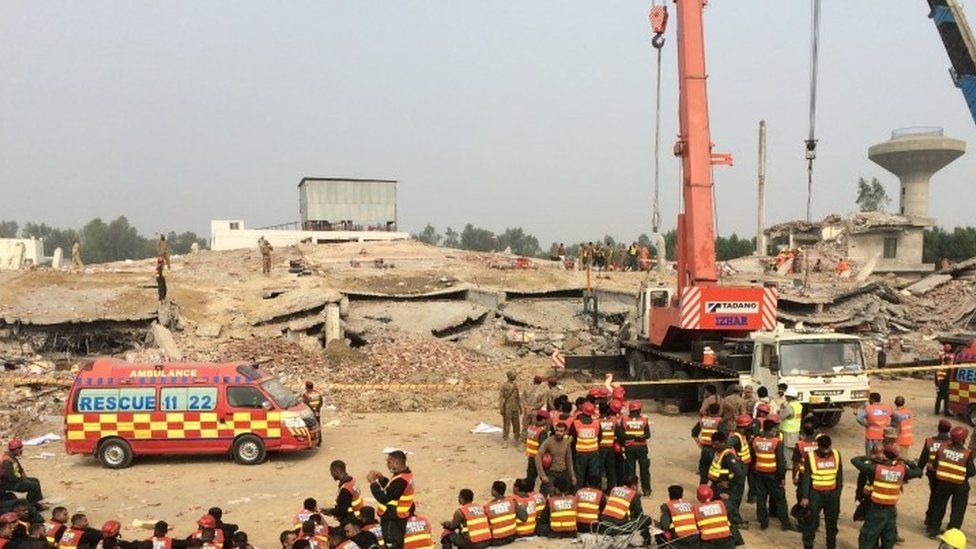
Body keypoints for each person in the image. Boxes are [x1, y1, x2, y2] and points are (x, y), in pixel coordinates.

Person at [851, 445, 922, 549]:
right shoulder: (900, 471)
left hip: (876, 510)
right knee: (888, 540)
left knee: (867, 539)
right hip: (891, 511)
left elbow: (855, 460)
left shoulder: (876, 469)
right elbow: (918, 471)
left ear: (884, 454)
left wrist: (871, 457)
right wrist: (905, 460)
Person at [926, 426, 975, 538]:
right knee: (958, 510)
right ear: (963, 440)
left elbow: (935, 465)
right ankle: (952, 533)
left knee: (939, 506)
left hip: (942, 483)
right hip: (960, 485)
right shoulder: (967, 453)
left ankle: (933, 530)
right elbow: (972, 472)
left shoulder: (942, 449)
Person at [798, 435, 842, 549]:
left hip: (832, 495)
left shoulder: (837, 455)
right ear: (818, 446)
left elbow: (839, 476)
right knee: (810, 522)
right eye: (823, 449)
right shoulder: (811, 457)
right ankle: (808, 545)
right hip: (815, 494)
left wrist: (837, 493)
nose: (826, 451)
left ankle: (831, 546)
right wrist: (805, 497)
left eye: (828, 448)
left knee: (832, 523)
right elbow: (806, 477)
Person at [368, 450, 415, 549]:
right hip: (397, 516)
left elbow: (384, 498)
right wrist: (382, 479)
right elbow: (393, 490)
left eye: (389, 462)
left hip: (394, 519)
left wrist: (373, 483)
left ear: (397, 463)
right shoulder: (403, 476)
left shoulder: (401, 480)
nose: (387, 465)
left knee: (392, 545)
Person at [750, 420, 791, 531]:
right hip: (773, 475)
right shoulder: (776, 442)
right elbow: (780, 462)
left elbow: (753, 458)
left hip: (759, 473)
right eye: (775, 429)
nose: (776, 431)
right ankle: (785, 523)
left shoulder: (756, 440)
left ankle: (763, 522)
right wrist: (782, 477)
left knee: (761, 498)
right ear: (772, 429)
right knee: (780, 499)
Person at [707, 431, 747, 529]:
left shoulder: (728, 456)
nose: (713, 446)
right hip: (716, 483)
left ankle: (738, 522)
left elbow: (739, 473)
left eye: (716, 444)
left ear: (723, 442)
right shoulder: (718, 452)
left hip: (723, 484)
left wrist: (729, 483)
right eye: (712, 443)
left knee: (729, 503)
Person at [921, 419, 955, 527]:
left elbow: (923, 459)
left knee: (933, 495)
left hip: (931, 473)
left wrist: (918, 471)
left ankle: (929, 518)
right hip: (944, 474)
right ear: (949, 430)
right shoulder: (951, 443)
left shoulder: (929, 441)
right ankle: (933, 522)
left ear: (938, 428)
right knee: (940, 499)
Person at [619, 401, 651, 495]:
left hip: (629, 448)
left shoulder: (624, 420)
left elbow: (621, 435)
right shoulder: (644, 420)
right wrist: (638, 437)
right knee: (644, 469)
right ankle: (646, 490)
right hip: (641, 448)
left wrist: (631, 436)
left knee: (630, 470)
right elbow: (648, 435)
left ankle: (631, 490)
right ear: (639, 410)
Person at [535, 423, 574, 496]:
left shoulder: (566, 442)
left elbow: (569, 460)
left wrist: (572, 475)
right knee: (548, 491)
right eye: (557, 430)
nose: (558, 433)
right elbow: (538, 456)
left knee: (567, 493)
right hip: (551, 473)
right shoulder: (548, 441)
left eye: (561, 431)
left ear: (565, 432)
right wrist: (542, 475)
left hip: (563, 472)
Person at [1, 440, 44, 506]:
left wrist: (25, 478)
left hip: (14, 480)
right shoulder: (7, 461)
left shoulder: (12, 458)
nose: (21, 450)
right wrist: (22, 480)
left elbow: (20, 470)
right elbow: (11, 478)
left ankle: (35, 502)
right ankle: (30, 505)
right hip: (7, 483)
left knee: (35, 480)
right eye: (19, 448)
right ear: (14, 450)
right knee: (32, 485)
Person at [483, 480, 525, 545]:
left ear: (494, 491)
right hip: (512, 537)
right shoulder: (512, 502)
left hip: (497, 540)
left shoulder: (487, 507)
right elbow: (524, 517)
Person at [693, 403, 726, 485]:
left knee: (704, 471)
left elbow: (694, 433)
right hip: (715, 449)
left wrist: (699, 444)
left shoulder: (703, 420)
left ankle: (702, 490)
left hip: (704, 449)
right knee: (715, 471)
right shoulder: (719, 421)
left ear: (709, 411)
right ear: (718, 411)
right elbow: (723, 436)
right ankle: (714, 490)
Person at [570, 402, 601, 488]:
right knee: (593, 474)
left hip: (580, 452)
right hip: (593, 452)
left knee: (579, 474)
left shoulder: (576, 423)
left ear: (582, 412)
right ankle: (594, 492)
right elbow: (600, 437)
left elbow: (572, 439)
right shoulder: (596, 423)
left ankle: (578, 492)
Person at [727, 414, 754, 507]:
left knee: (739, 489)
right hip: (740, 465)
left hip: (744, 465)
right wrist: (734, 457)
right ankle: (734, 514)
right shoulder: (736, 437)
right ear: (745, 427)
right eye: (749, 426)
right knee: (737, 490)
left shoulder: (743, 435)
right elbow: (726, 446)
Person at [597, 402, 620, 489]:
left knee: (600, 469)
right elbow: (617, 433)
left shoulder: (597, 421)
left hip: (601, 447)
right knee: (611, 469)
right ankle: (612, 488)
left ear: (599, 410)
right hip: (611, 447)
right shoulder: (613, 420)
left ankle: (600, 488)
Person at [522, 411, 548, 489]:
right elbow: (542, 446)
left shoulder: (531, 428)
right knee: (542, 476)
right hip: (537, 457)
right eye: (546, 419)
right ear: (543, 420)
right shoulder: (542, 431)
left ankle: (528, 490)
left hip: (530, 455)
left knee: (530, 476)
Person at [498, 372, 521, 446]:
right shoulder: (504, 386)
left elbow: (518, 397)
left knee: (516, 424)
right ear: (509, 376)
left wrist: (520, 407)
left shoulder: (515, 385)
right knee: (506, 424)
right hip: (507, 407)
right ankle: (505, 440)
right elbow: (501, 397)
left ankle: (516, 439)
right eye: (512, 375)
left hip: (515, 407)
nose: (514, 376)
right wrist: (501, 408)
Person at [779, 387, 802, 455]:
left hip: (787, 432)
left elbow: (781, 416)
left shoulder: (789, 407)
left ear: (789, 397)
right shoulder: (799, 405)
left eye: (786, 396)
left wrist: (781, 408)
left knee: (787, 452)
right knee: (793, 450)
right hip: (796, 430)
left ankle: (788, 465)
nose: (785, 397)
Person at [936, 344, 953, 415]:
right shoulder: (942, 365)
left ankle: (945, 411)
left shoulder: (951, 357)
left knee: (946, 397)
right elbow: (937, 376)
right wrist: (937, 384)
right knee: (940, 397)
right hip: (942, 382)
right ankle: (937, 411)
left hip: (945, 381)